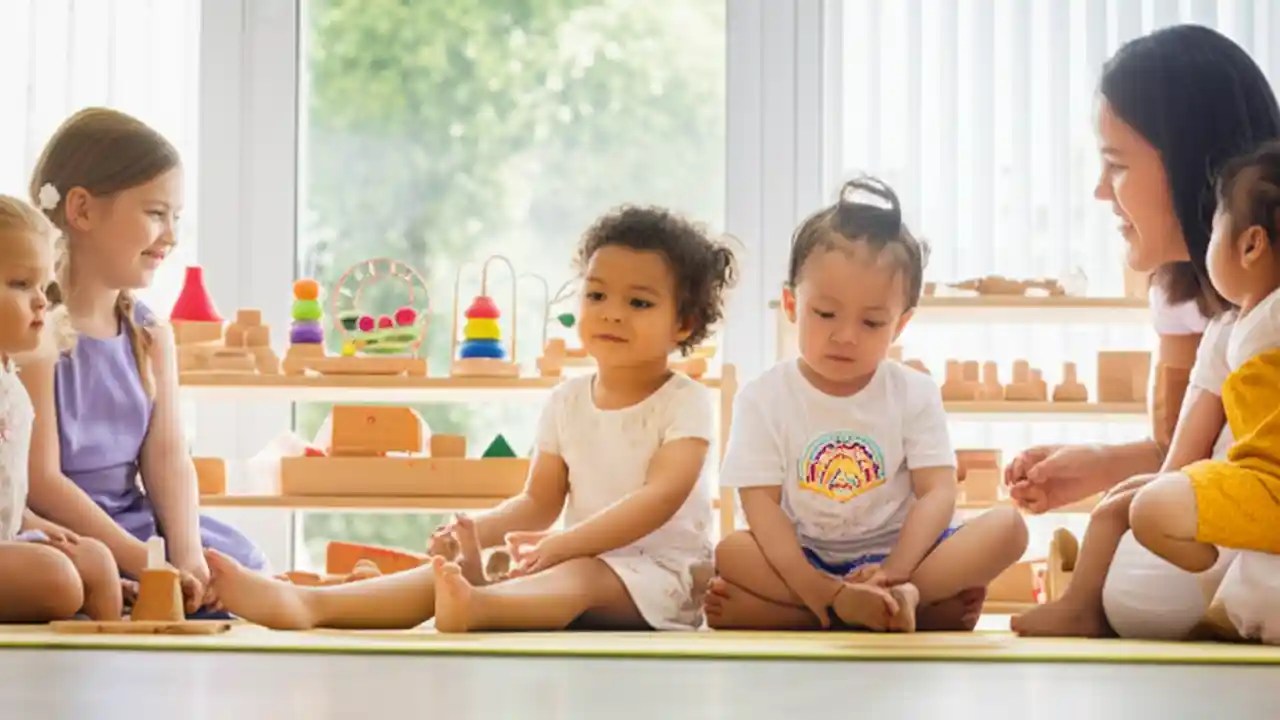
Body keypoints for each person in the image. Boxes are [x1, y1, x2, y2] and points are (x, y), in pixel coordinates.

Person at [205, 205, 736, 632]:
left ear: (683, 323)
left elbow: (658, 499)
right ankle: (312, 605)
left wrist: (565, 544)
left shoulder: (684, 400)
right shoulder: (568, 400)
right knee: (442, 573)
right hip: (574, 562)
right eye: (597, 294)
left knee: (579, 574)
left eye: (639, 303)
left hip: (663, 580)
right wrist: (473, 529)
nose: (612, 312)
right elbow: (539, 502)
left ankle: (481, 610)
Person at [1005, 25, 1280, 640]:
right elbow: (1184, 444)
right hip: (1225, 498)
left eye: (1116, 165)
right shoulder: (1186, 300)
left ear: (1191, 163)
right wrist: (1102, 465)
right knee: (1138, 567)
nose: (1102, 191)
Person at [705, 177, 1027, 632]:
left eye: (873, 321)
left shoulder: (913, 391)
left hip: (903, 556)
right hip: (806, 559)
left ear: (901, 325)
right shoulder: (763, 396)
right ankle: (846, 606)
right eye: (825, 314)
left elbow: (937, 492)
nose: (846, 336)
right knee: (731, 552)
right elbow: (760, 507)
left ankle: (891, 600)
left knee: (1009, 527)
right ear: (791, 304)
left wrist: (898, 570)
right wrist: (818, 585)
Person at [21, 108, 266, 616]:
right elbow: (42, 482)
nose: (171, 236)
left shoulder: (151, 334)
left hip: (131, 518)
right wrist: (141, 560)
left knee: (240, 565)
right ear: (82, 211)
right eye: (156, 213)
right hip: (59, 523)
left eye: (176, 217)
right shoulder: (37, 332)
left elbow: (168, 461)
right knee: (66, 579)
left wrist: (186, 552)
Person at [0, 195, 122, 621]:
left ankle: (112, 655)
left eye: (43, 288)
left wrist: (37, 523)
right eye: (19, 284)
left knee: (95, 558)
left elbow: (7, 488)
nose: (39, 301)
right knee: (60, 578)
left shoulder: (13, 386)